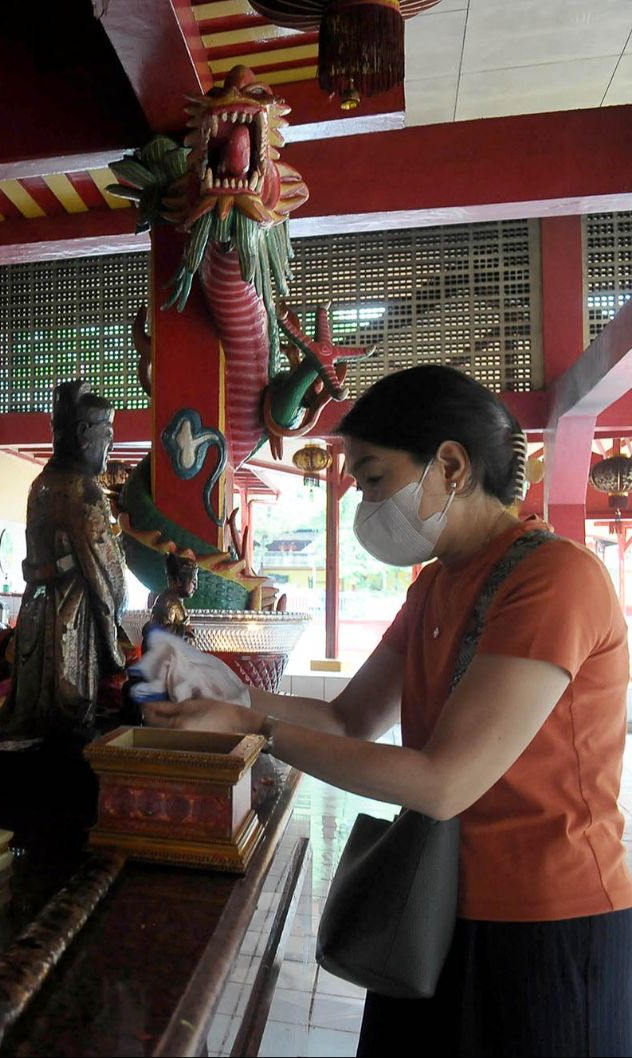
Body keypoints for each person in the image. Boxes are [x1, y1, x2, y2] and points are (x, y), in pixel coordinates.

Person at [146, 365, 632, 1058]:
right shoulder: (435, 585)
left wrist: (257, 727)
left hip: (545, 917)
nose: (365, 503)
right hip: (428, 902)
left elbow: (444, 781)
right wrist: (225, 694)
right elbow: (349, 721)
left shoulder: (553, 578)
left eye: (373, 478)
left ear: (452, 465)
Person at [0, 380, 127, 741]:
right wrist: (117, 628)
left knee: (37, 716)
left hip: (36, 613)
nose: (111, 446)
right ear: (84, 432)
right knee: (69, 723)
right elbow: (108, 576)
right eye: (107, 433)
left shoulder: (42, 483)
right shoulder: (82, 490)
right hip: (71, 617)